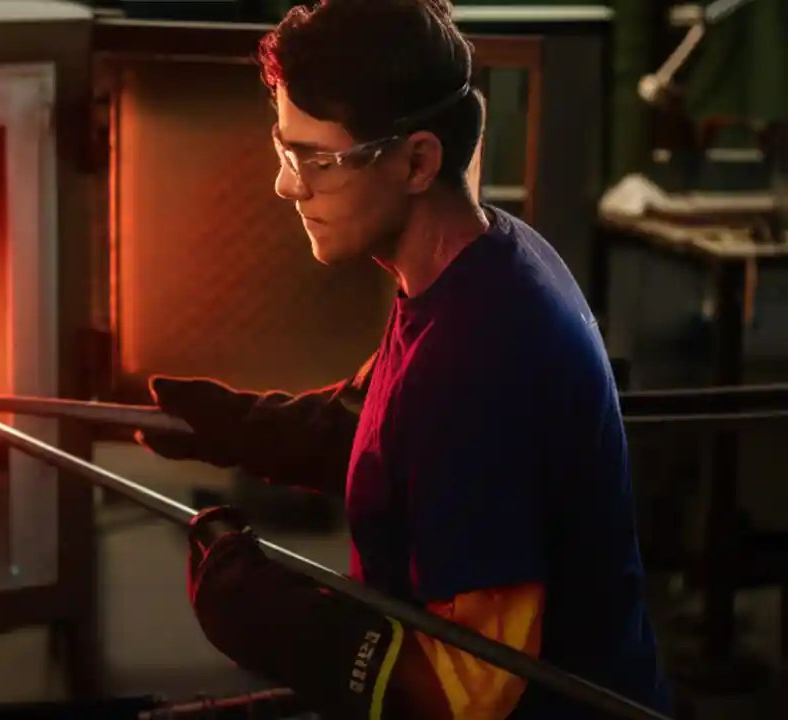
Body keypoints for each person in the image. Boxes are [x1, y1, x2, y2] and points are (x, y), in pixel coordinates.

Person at [136, 1, 673, 718]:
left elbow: (470, 692)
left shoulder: (479, 364)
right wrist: (256, 429)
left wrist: (280, 624)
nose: (287, 185)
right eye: (284, 149)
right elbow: (396, 424)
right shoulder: (478, 263)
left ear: (419, 160)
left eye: (315, 159)